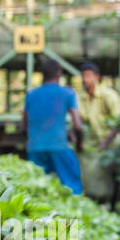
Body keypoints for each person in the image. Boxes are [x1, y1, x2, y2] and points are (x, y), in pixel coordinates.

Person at [21, 58, 84, 194]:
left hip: (35, 148)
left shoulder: (31, 95)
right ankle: (75, 214)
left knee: (36, 190)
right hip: (59, 147)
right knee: (72, 186)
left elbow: (23, 125)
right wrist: (79, 143)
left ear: (42, 74)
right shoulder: (67, 93)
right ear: (59, 74)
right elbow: (78, 125)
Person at [76, 61, 120, 203]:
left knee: (111, 174)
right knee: (88, 174)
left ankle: (112, 204)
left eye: (89, 76)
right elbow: (77, 123)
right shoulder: (80, 98)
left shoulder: (109, 96)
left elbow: (118, 123)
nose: (86, 79)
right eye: (83, 76)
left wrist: (105, 143)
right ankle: (92, 202)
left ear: (97, 77)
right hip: (91, 143)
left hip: (109, 142)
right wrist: (79, 141)